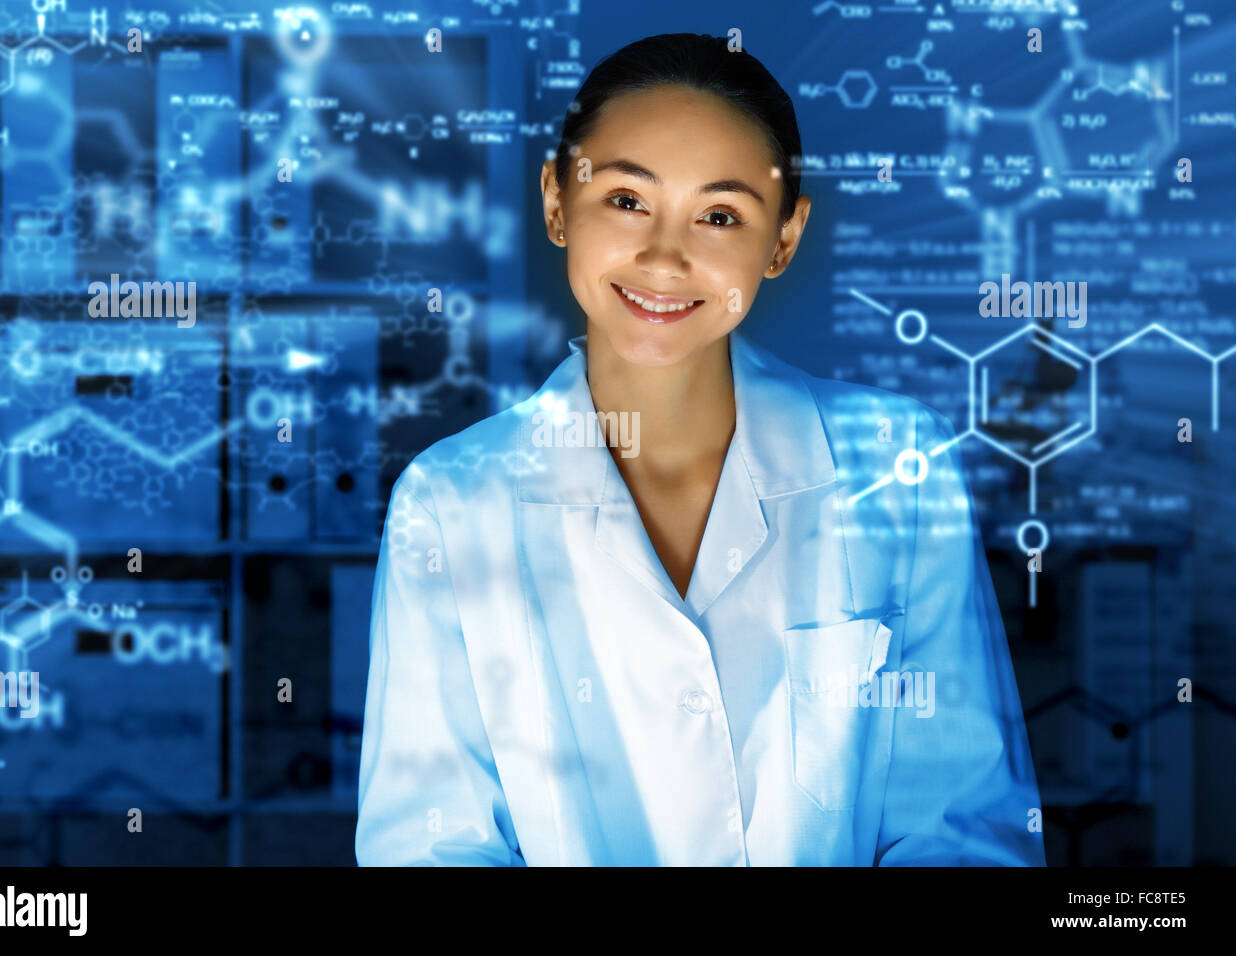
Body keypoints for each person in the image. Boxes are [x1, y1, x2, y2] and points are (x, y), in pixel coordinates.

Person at [355, 33, 1045, 866]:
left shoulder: (896, 467)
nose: (663, 256)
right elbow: (433, 843)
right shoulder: (452, 501)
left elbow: (959, 827)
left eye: (720, 215)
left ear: (784, 238)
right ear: (554, 201)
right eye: (624, 200)